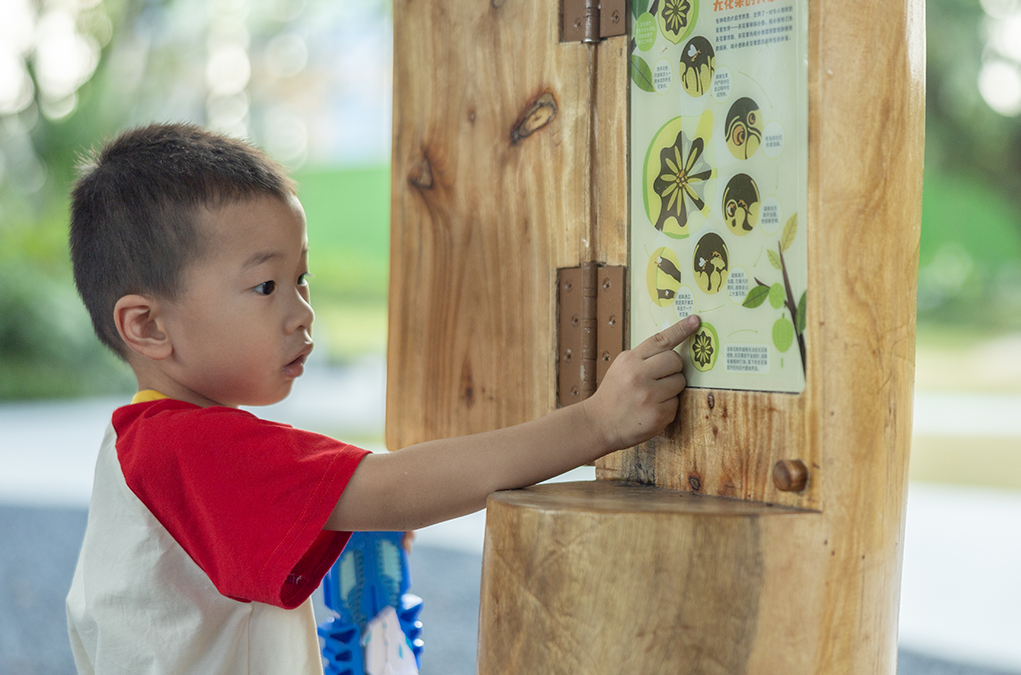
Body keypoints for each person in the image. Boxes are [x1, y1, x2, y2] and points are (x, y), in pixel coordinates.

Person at [64, 123, 699, 675]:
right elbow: (389, 486)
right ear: (147, 325)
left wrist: (352, 529)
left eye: (300, 279)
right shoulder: (186, 445)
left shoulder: (144, 444)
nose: (301, 312)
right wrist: (597, 423)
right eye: (265, 286)